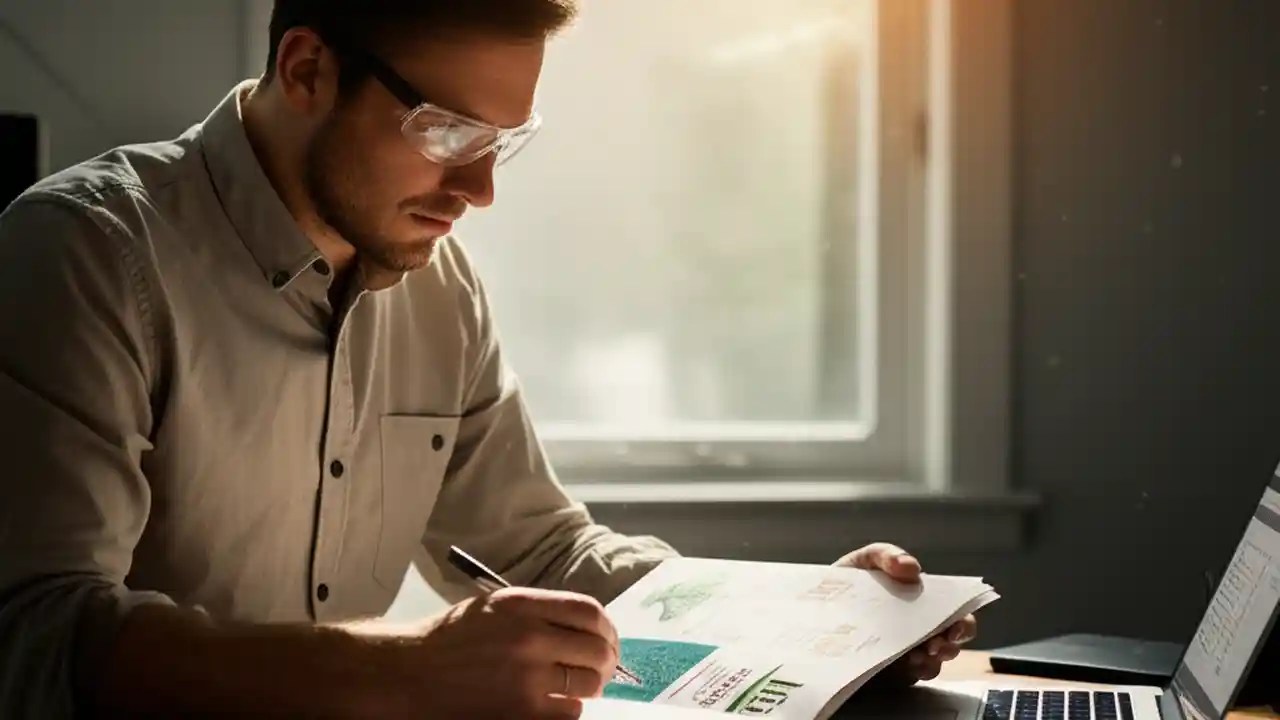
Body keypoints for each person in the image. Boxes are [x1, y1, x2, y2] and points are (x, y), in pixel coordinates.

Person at [0, 1, 978, 717]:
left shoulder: (437, 286)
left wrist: (807, 627)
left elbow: (547, 553)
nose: (477, 189)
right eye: (448, 132)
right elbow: (38, 639)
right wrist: (405, 668)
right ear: (305, 70)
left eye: (501, 143)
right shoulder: (84, 256)